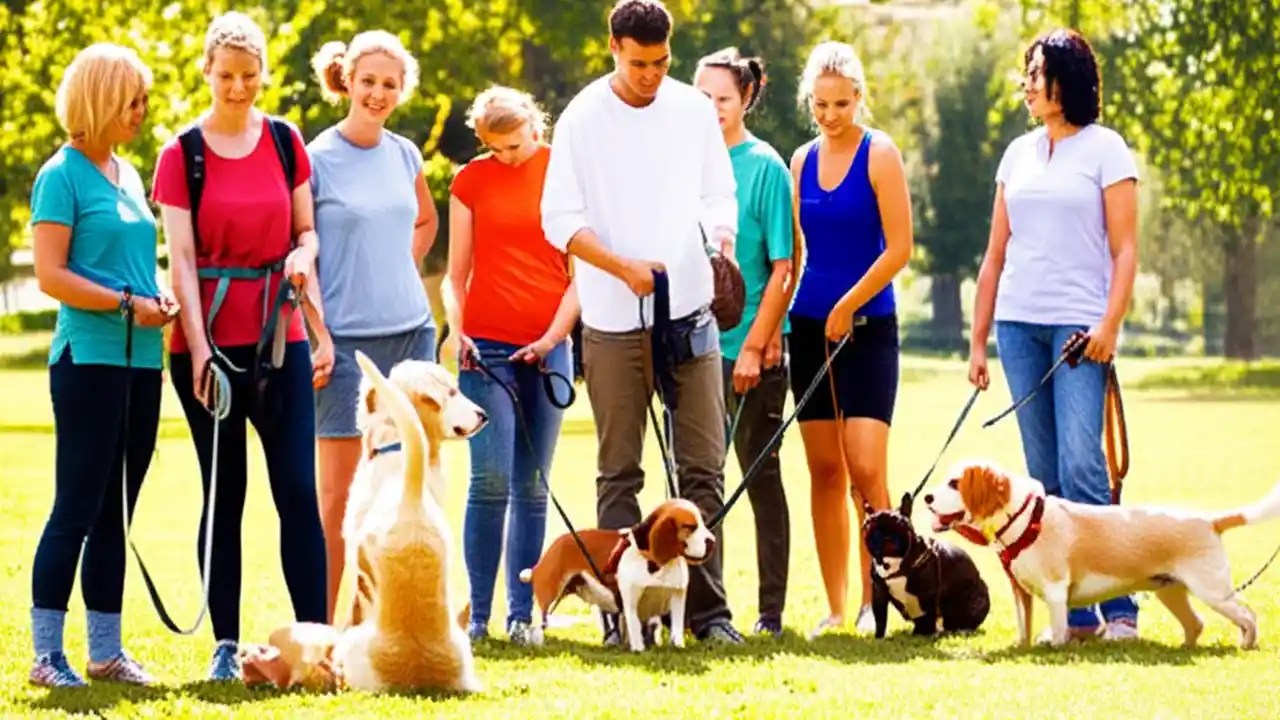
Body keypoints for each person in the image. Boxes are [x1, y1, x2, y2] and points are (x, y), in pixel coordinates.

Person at [540, 0, 744, 645]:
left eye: (660, 63)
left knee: (703, 471)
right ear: (613, 50)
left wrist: (721, 244)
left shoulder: (690, 110)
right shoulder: (581, 118)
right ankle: (621, 619)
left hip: (690, 310)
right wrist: (618, 264)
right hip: (610, 316)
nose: (651, 75)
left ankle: (710, 617)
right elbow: (559, 218)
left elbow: (718, 192)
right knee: (620, 473)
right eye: (638, 63)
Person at [152, 11, 330, 680]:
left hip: (277, 343)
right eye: (226, 76)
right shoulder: (181, 155)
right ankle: (225, 646)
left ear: (263, 75)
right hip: (209, 350)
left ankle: (316, 644)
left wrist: (301, 259)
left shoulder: (286, 142)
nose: (238, 88)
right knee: (224, 493)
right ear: (207, 71)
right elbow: (182, 266)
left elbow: (308, 230)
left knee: (295, 492)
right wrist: (198, 352)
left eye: (249, 77)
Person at [968, 28, 1140, 642]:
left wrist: (1109, 324)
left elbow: (1124, 251)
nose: (1027, 84)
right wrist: (978, 339)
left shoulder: (1106, 149)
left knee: (1083, 466)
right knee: (1042, 475)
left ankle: (1122, 612)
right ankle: (1078, 618)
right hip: (1018, 323)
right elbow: (994, 255)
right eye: (1026, 73)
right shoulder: (1016, 154)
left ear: (1067, 78)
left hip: (1079, 327)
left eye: (1036, 73)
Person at [27, 42, 176, 689]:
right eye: (132, 101)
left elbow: (134, 262)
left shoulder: (128, 172)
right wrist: (125, 302)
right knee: (78, 507)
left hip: (142, 362)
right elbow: (50, 275)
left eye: (142, 100)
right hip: (87, 359)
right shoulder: (60, 175)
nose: (142, 111)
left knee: (118, 507)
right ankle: (45, 655)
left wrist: (158, 295)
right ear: (101, 100)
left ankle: (106, 653)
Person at [307, 29, 439, 621]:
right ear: (347, 83)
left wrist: (395, 268)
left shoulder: (407, 154)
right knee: (340, 500)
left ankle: (397, 616)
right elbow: (301, 250)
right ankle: (330, 627)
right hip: (343, 345)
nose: (378, 93)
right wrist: (319, 331)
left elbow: (426, 223)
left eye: (390, 84)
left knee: (410, 487)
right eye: (369, 82)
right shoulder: (315, 159)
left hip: (412, 335)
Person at [442, 85, 578, 645]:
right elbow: (455, 275)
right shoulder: (470, 181)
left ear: (534, 128)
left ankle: (525, 614)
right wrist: (458, 329)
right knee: (489, 479)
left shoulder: (565, 172)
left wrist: (550, 339)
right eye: (497, 149)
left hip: (550, 350)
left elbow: (581, 275)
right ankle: (479, 618)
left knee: (533, 486)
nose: (509, 157)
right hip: (486, 349)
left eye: (517, 145)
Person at [788, 41, 913, 638]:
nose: (831, 114)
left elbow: (899, 249)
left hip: (867, 328)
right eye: (821, 104)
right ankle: (836, 607)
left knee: (866, 468)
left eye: (841, 103)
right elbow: (800, 251)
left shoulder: (879, 153)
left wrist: (849, 304)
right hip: (809, 326)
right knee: (823, 470)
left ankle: (877, 601)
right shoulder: (800, 160)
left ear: (859, 97)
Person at [693, 47, 795, 639]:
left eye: (723, 99)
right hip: (693, 347)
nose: (711, 110)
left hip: (752, 349)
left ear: (746, 99)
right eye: (701, 97)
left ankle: (771, 612)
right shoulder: (682, 164)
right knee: (699, 481)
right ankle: (709, 609)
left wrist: (758, 344)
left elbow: (783, 267)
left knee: (761, 480)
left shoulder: (765, 168)